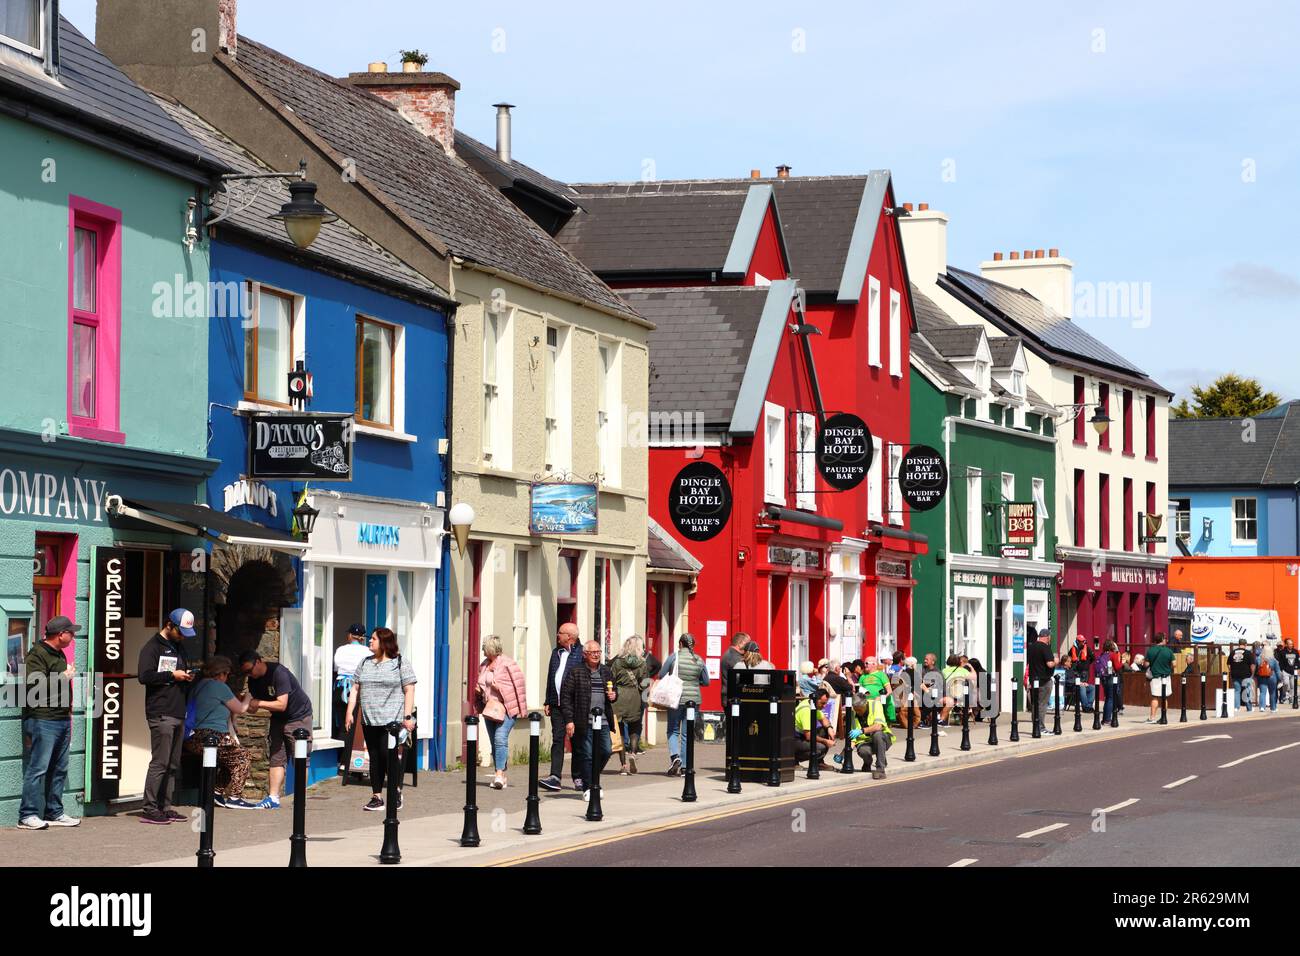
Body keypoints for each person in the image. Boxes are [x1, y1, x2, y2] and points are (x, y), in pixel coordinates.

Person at [19, 616, 81, 829]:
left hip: (61, 719)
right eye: (71, 632)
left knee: (60, 769)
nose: (73, 636)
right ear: (60, 634)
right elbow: (33, 686)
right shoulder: (37, 654)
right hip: (43, 719)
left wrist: (68, 709)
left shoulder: (59, 653)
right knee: (38, 768)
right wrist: (64, 677)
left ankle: (54, 812)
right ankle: (27, 815)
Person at [138, 608, 196, 825]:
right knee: (160, 763)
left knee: (172, 764)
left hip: (178, 710)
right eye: (180, 632)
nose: (182, 637)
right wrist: (171, 675)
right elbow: (144, 676)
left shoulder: (179, 647)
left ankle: (165, 807)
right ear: (169, 625)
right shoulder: (151, 647)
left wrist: (186, 676)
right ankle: (149, 808)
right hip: (161, 712)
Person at [239, 650, 314, 809]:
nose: (248, 675)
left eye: (249, 670)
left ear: (258, 662)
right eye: (245, 673)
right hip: (278, 719)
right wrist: (243, 702)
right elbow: (253, 708)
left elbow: (281, 704)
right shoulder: (253, 680)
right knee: (276, 757)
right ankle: (273, 798)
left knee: (300, 758)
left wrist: (258, 703)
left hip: (298, 717)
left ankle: (300, 797)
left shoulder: (279, 673)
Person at [185, 656, 256, 809]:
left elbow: (221, 709)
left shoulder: (198, 686)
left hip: (193, 738)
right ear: (221, 673)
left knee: (229, 758)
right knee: (243, 757)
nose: (227, 677)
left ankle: (216, 793)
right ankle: (235, 798)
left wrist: (233, 720)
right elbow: (240, 708)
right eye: (227, 674)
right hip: (212, 737)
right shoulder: (219, 686)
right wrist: (248, 697)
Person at [559, 640, 616, 799]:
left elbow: (614, 690)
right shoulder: (576, 671)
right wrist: (569, 720)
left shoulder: (606, 671)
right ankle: (589, 787)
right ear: (585, 654)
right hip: (584, 721)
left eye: (598, 652)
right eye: (593, 652)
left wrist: (614, 695)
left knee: (606, 751)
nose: (596, 655)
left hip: (603, 720)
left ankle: (592, 779)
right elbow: (566, 697)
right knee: (587, 755)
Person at [475, 634, 527, 790]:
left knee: (500, 739)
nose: (482, 649)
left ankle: (498, 774)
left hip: (507, 709)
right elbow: (482, 683)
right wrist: (479, 691)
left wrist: (499, 688)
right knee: (495, 743)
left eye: (484, 647)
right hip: (490, 708)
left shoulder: (508, 664)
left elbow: (519, 685)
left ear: (490, 648)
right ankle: (502, 775)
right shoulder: (484, 664)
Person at [658, 633, 710, 776]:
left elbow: (661, 675)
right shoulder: (698, 660)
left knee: (673, 730)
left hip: (675, 699)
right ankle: (686, 767)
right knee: (687, 734)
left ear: (680, 644)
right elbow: (706, 681)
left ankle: (675, 757)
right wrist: (694, 682)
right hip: (694, 701)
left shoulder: (674, 657)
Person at [540, 622, 584, 792]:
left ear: (569, 636)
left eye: (560, 633)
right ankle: (555, 777)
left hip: (575, 706)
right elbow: (551, 677)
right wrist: (548, 700)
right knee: (557, 739)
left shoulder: (581, 653)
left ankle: (578, 777)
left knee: (576, 741)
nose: (557, 635)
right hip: (557, 705)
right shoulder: (556, 653)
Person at [611, 636, 649, 774]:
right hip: (635, 697)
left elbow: (611, 679)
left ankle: (623, 765)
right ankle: (633, 753)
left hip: (619, 698)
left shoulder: (617, 662)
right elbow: (645, 683)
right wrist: (643, 695)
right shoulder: (642, 663)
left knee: (620, 730)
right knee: (635, 726)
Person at [849, 684, 896, 779]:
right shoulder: (853, 712)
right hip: (865, 742)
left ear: (865, 704)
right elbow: (853, 737)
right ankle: (868, 762)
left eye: (859, 710)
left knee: (877, 735)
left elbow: (878, 726)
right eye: (856, 710)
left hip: (883, 739)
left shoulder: (876, 705)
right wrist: (845, 754)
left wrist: (862, 730)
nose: (858, 712)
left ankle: (880, 769)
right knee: (863, 751)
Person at [332, 623, 369, 742]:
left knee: (339, 720)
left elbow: (336, 667)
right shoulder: (367, 651)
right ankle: (347, 749)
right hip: (356, 688)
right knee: (352, 722)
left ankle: (339, 747)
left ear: (350, 635)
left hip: (340, 686)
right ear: (362, 637)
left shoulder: (341, 649)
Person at [794, 686, 834, 766]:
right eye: (822, 703)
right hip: (795, 740)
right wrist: (825, 741)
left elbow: (823, 719)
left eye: (825, 703)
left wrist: (829, 728)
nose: (824, 706)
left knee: (825, 730)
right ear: (815, 700)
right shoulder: (806, 711)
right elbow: (809, 736)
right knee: (820, 747)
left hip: (801, 737)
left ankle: (819, 763)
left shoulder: (811, 703)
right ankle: (794, 760)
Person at [1025, 625, 1057, 725]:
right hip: (1044, 681)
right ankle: (1040, 726)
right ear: (1047, 636)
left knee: (1035, 704)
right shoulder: (1045, 647)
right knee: (1042, 704)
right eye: (1049, 636)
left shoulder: (1032, 647)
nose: (1050, 638)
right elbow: (1050, 664)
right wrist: (1056, 661)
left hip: (1033, 680)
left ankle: (1035, 726)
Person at [1143, 632, 1175, 722]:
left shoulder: (1151, 650)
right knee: (1164, 698)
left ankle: (1152, 718)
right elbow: (1174, 664)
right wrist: (1166, 667)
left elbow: (1146, 664)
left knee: (1155, 697)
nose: (1166, 640)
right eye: (1165, 639)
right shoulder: (1168, 651)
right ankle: (1163, 717)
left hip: (1155, 677)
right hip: (1166, 677)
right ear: (1162, 639)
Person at [720, 632, 748, 713]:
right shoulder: (733, 657)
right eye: (747, 644)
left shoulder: (731, 654)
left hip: (731, 696)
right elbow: (744, 677)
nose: (748, 647)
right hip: (733, 698)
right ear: (740, 643)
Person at [1094, 640, 1120, 724]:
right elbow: (1117, 667)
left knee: (1107, 698)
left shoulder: (1102, 655)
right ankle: (1107, 719)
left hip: (1103, 678)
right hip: (1111, 678)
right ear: (1112, 646)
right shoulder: (1113, 655)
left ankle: (1105, 719)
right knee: (1111, 698)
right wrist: (1122, 663)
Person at [1227, 639, 1255, 713]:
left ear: (1238, 644)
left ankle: (1236, 707)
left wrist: (1232, 671)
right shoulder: (1248, 653)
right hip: (1246, 675)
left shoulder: (1233, 652)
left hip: (1235, 675)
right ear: (1245, 644)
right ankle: (1249, 708)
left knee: (1237, 691)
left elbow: (1228, 665)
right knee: (1247, 691)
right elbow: (1252, 665)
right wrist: (1252, 674)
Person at [1067, 635, 1094, 712]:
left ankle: (1088, 706)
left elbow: (1093, 658)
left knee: (1088, 687)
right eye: (1081, 641)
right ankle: (1086, 707)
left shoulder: (1087, 649)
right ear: (1077, 641)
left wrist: (1087, 664)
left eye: (1084, 641)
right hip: (1075, 672)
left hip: (1084, 672)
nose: (1083, 643)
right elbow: (1069, 658)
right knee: (1081, 688)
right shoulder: (1072, 649)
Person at [1253, 641, 1277, 713]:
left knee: (1262, 692)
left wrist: (1254, 677)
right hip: (1272, 677)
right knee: (1272, 693)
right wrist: (1280, 679)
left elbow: (1256, 669)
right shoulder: (1274, 660)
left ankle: (1262, 707)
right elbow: (1278, 671)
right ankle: (1273, 708)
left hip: (1262, 677)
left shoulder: (1258, 659)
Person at [1277, 639, 1298, 704]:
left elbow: (1297, 661)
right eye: (1290, 644)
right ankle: (1284, 695)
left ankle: (1291, 699)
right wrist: (1281, 670)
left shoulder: (1295, 651)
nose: (1291, 645)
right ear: (1286, 644)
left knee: (1293, 686)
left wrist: (1298, 669)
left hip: (1294, 671)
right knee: (1286, 684)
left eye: (1292, 644)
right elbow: (1280, 662)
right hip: (1285, 671)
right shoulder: (1282, 652)